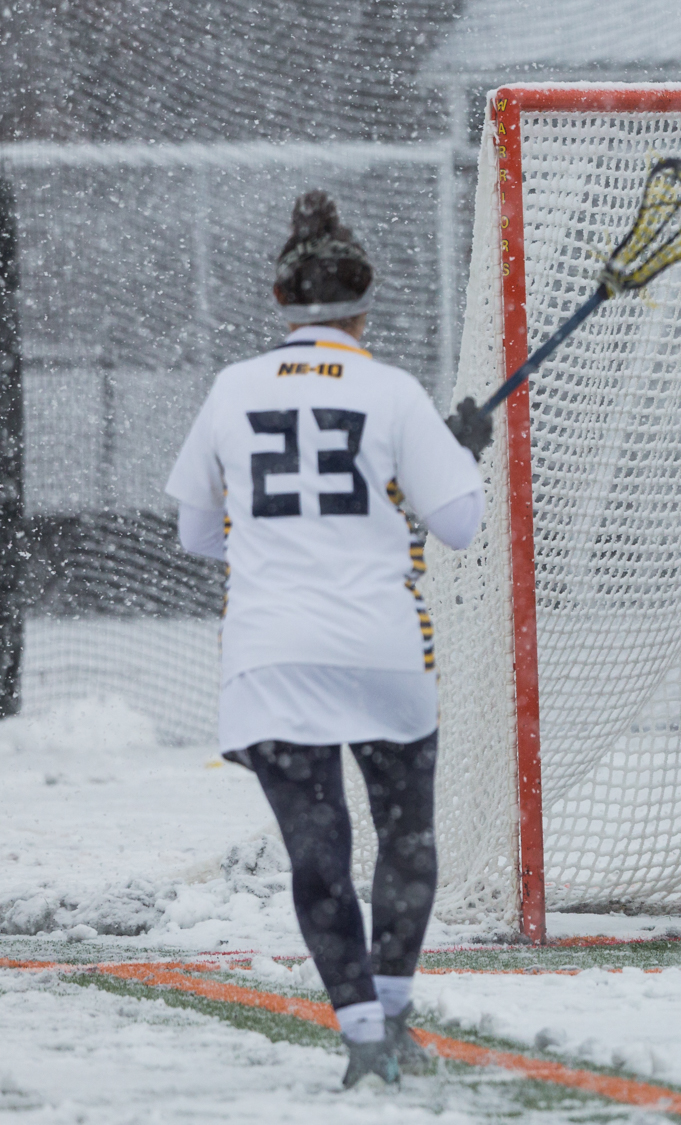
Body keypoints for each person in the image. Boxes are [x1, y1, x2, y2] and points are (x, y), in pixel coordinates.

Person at [165, 192, 491, 1087]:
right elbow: (460, 522)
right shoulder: (390, 390)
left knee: (319, 849)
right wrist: (459, 452)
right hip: (384, 651)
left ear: (280, 303)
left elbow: (197, 534)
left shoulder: (233, 387)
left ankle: (360, 1038)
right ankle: (393, 1014)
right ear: (361, 306)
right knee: (404, 838)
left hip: (271, 659)